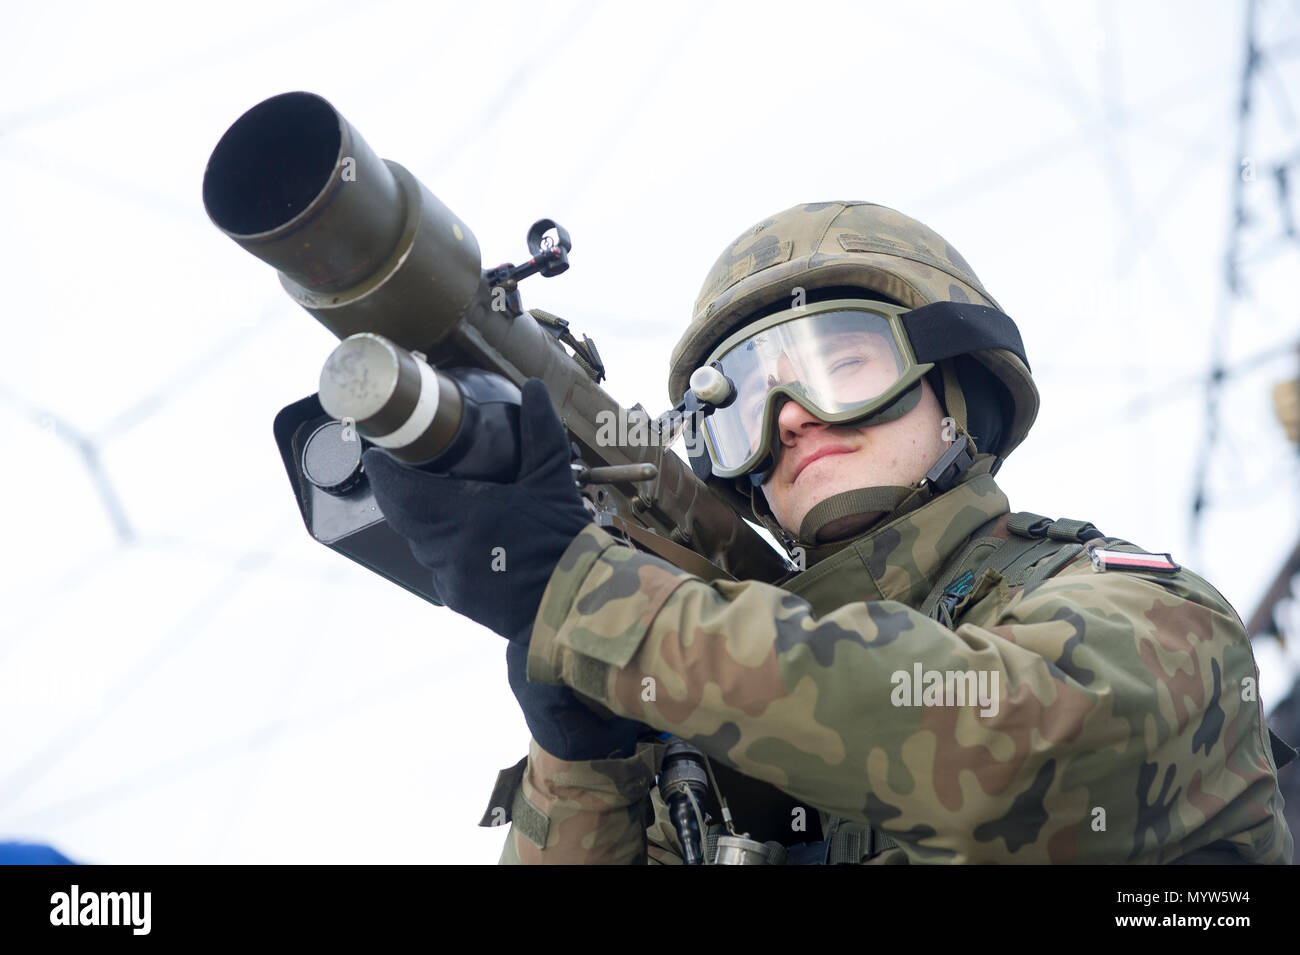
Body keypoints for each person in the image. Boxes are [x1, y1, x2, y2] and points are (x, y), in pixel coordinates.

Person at [362, 201, 1295, 864]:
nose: (794, 419)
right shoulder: (708, 729)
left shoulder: (1145, 613)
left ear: (957, 388)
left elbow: (994, 755)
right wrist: (581, 760)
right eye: (742, 406)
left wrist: (595, 604)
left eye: (842, 365)